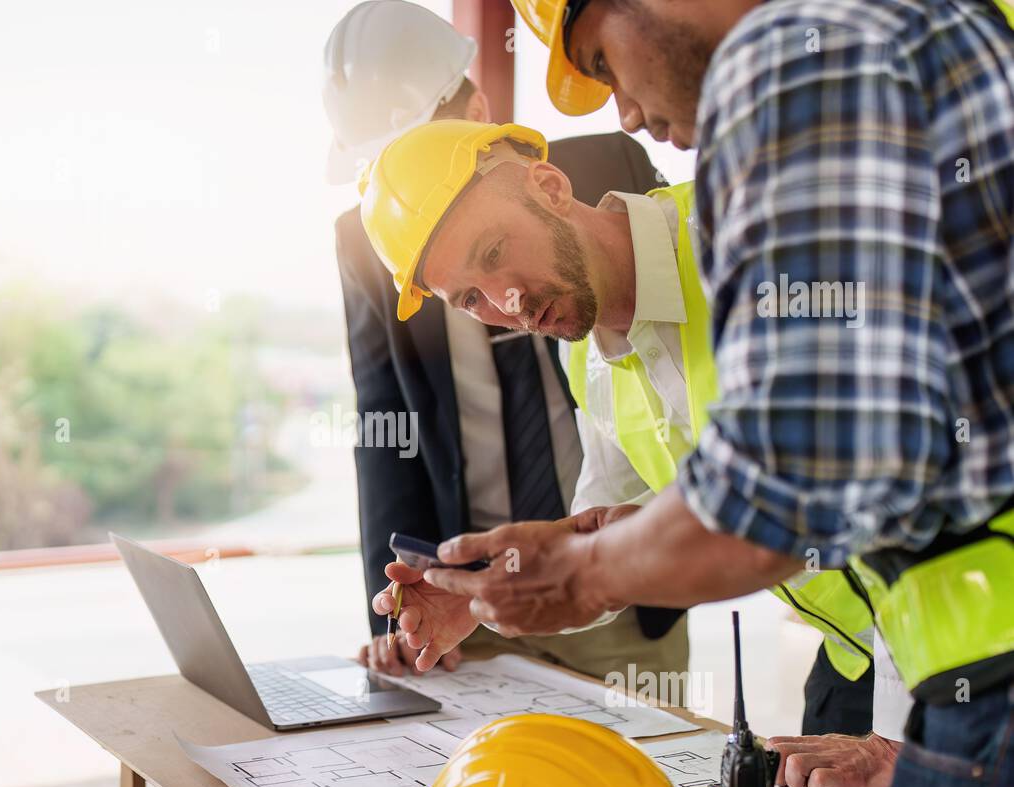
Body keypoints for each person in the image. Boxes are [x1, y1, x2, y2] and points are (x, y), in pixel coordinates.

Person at [407, 0, 1014, 787]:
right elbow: (650, 515)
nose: (623, 112)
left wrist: (578, 572)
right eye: (470, 298)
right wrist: (501, 580)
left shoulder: (816, 68)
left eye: (605, 61)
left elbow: (794, 475)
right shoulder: (924, 38)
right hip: (929, 658)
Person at [358, 119, 875, 730]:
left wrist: (898, 727)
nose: (509, 305)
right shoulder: (581, 355)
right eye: (472, 298)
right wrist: (490, 591)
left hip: (951, 639)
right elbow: (605, 532)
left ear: (549, 186)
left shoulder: (743, 244)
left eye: (494, 253)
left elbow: (876, 484)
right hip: (855, 653)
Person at [323, 1, 683, 681]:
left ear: (479, 113)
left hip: (626, 581)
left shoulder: (609, 167)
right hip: (475, 583)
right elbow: (384, 429)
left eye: (424, 150)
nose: (509, 306)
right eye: (466, 297)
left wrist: (601, 560)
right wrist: (401, 613)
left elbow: (672, 386)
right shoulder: (369, 247)